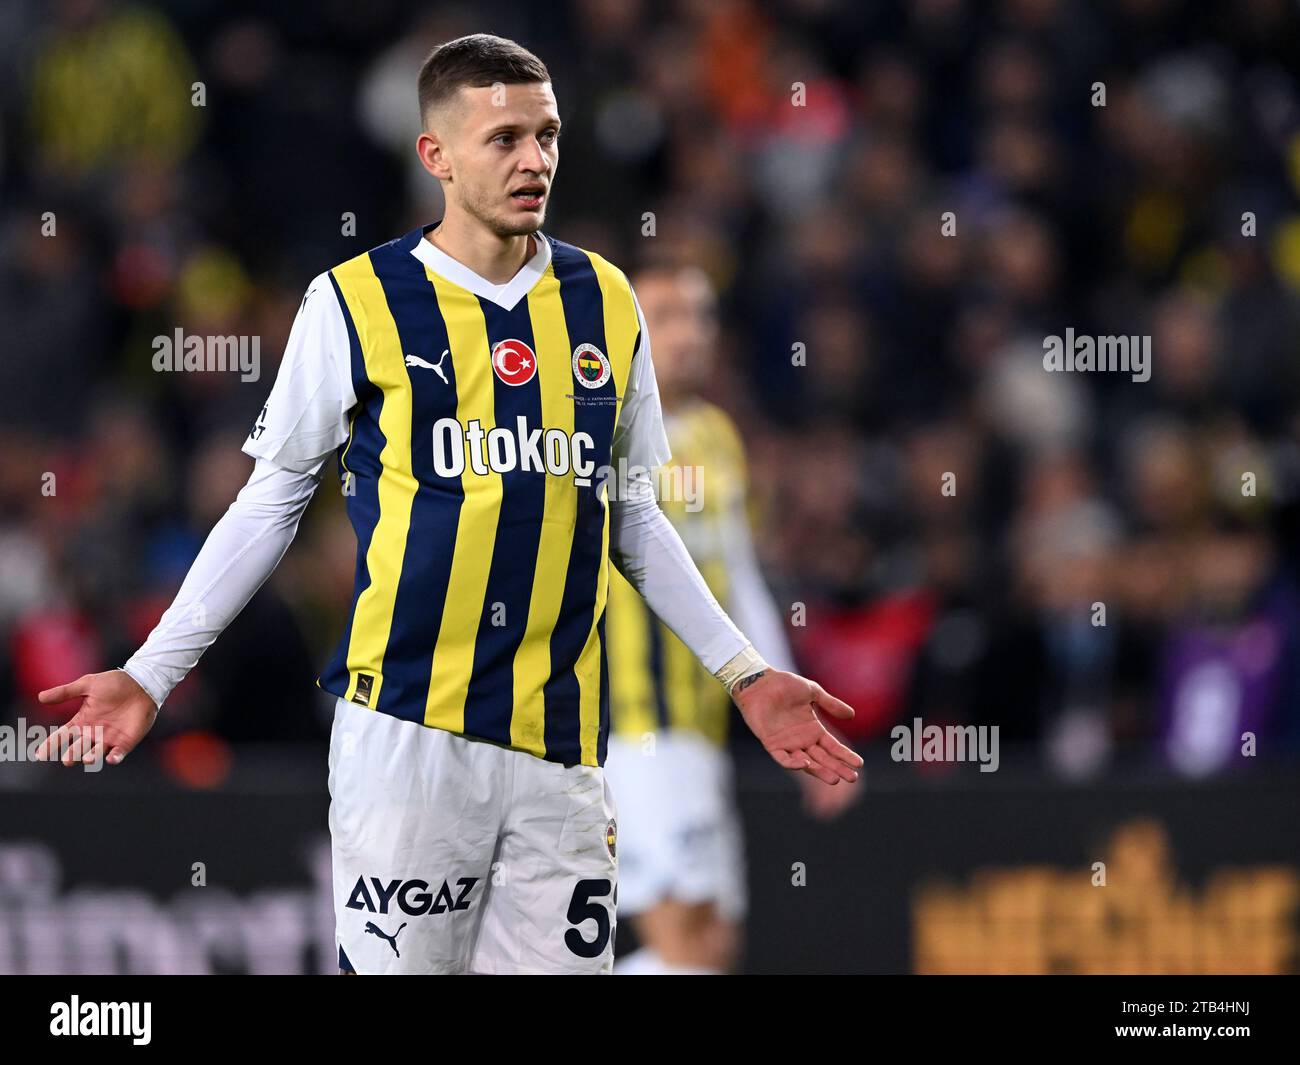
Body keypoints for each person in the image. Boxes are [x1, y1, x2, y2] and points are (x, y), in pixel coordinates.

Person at [35, 33, 861, 975]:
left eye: (546, 135)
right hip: (406, 734)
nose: (535, 160)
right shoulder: (356, 301)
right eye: (504, 138)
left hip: (561, 746)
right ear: (435, 156)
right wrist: (151, 674)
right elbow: (270, 503)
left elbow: (631, 514)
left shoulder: (607, 302)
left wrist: (748, 675)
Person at [605, 265, 858, 974]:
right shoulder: (604, 429)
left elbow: (741, 578)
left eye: (699, 317)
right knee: (681, 930)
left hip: (706, 724)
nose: (688, 335)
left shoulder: (717, 436)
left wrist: (791, 699)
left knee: (712, 944)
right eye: (665, 316)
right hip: (631, 725)